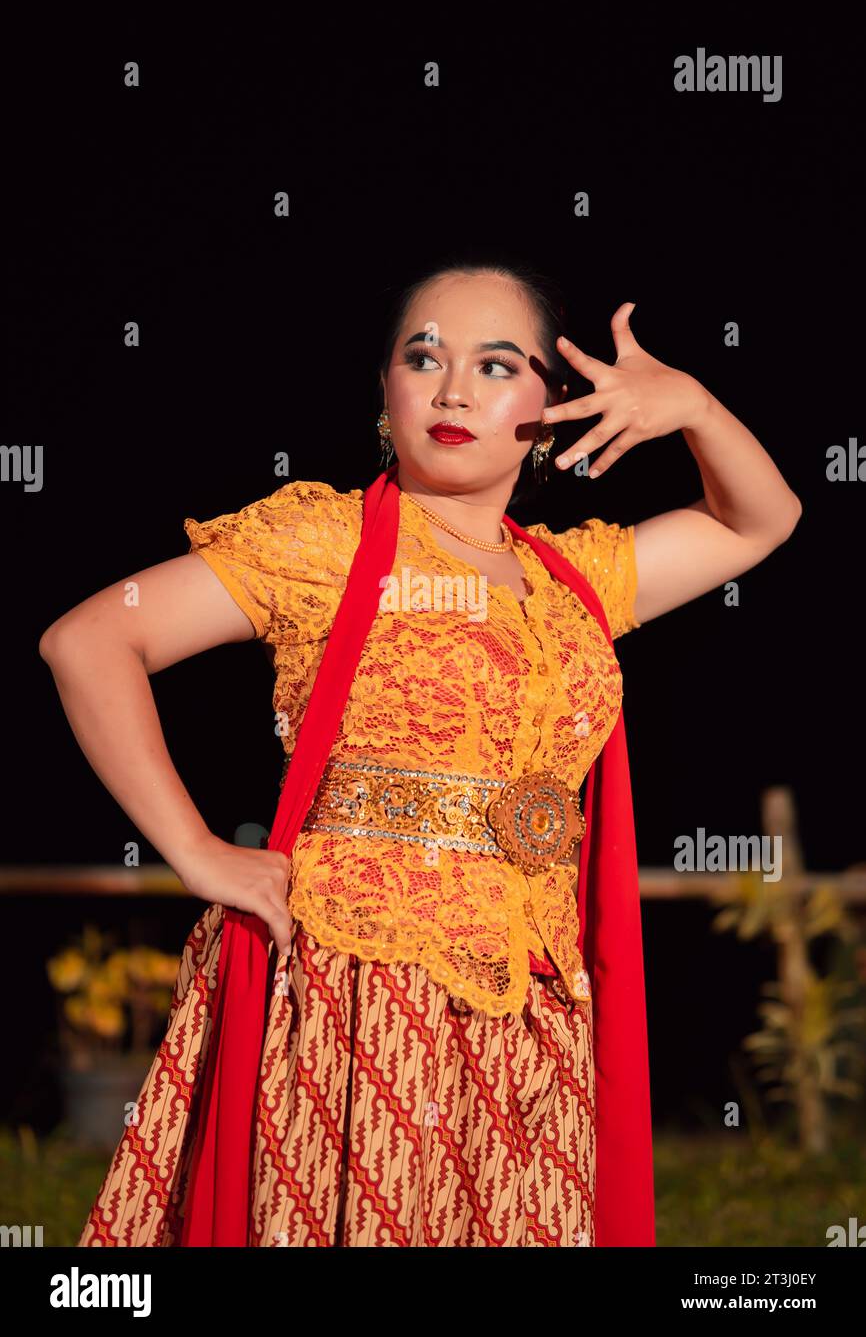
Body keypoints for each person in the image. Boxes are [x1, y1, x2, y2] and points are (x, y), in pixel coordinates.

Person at [40, 260, 801, 1247]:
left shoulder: (576, 580)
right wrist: (194, 848)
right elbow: (90, 641)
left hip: (532, 1017)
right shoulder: (328, 540)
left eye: (495, 365)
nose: (451, 389)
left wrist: (691, 404)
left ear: (550, 404)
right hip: (361, 1000)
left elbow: (759, 518)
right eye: (424, 356)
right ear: (385, 387)